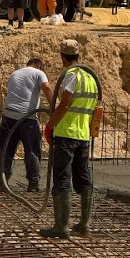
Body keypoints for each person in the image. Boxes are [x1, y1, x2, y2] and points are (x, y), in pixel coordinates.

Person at [40, 40, 99, 240]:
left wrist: (50, 126)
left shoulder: (72, 75)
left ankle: (61, 226)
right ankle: (84, 224)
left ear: (62, 57)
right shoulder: (91, 77)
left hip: (66, 134)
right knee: (83, 178)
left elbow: (64, 104)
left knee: (62, 178)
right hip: (83, 135)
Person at [0, 56, 53, 191]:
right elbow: (46, 87)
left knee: (6, 149)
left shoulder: (14, 73)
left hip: (8, 116)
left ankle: (3, 181)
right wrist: (54, 108)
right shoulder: (39, 73)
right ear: (39, 66)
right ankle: (33, 184)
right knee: (32, 150)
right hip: (27, 118)